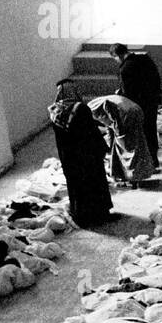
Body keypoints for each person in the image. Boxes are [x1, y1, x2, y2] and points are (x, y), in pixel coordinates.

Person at [49, 80, 113, 226]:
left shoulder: (54, 111)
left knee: (76, 185)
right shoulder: (80, 109)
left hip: (69, 157)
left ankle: (81, 216)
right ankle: (100, 215)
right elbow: (91, 132)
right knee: (95, 183)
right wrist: (102, 148)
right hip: (87, 155)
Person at [110, 43, 162, 164]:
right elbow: (156, 79)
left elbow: (129, 93)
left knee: (140, 134)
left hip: (138, 106)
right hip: (152, 101)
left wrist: (120, 94)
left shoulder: (125, 69)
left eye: (115, 59)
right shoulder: (145, 59)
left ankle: (145, 163)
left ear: (118, 55)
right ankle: (154, 159)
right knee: (151, 131)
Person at [89, 94, 156, 186]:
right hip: (136, 110)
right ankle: (135, 174)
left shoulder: (92, 111)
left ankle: (132, 177)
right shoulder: (93, 105)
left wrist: (119, 137)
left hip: (125, 114)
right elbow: (109, 125)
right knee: (137, 143)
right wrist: (111, 142)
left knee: (127, 149)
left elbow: (111, 118)